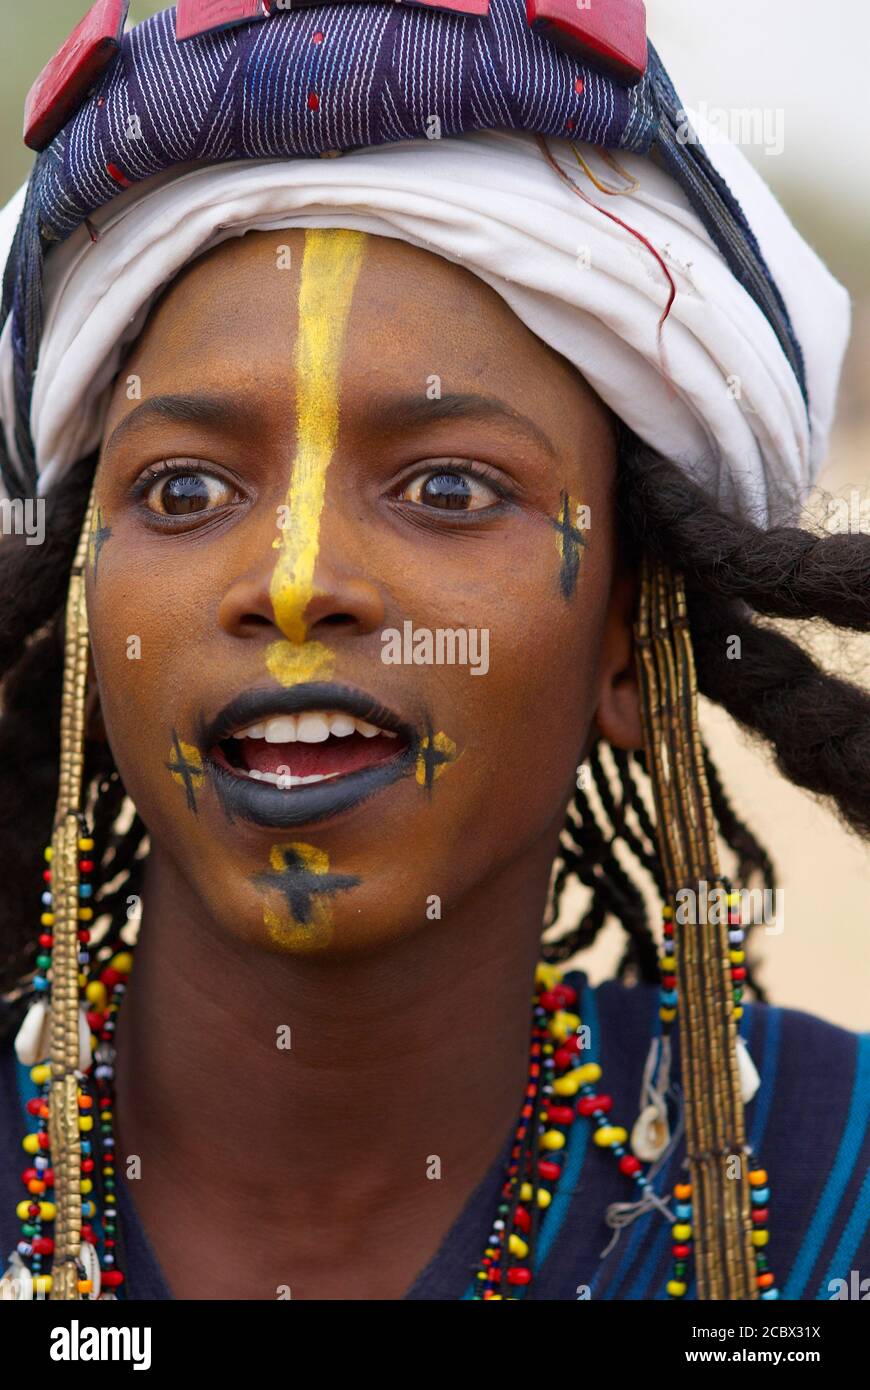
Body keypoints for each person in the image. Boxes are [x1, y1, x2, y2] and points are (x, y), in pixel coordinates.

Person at [0, 0, 867, 1301]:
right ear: (82, 610)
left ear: (631, 635)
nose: (295, 583)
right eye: (184, 491)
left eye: (448, 488)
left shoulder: (824, 1187)